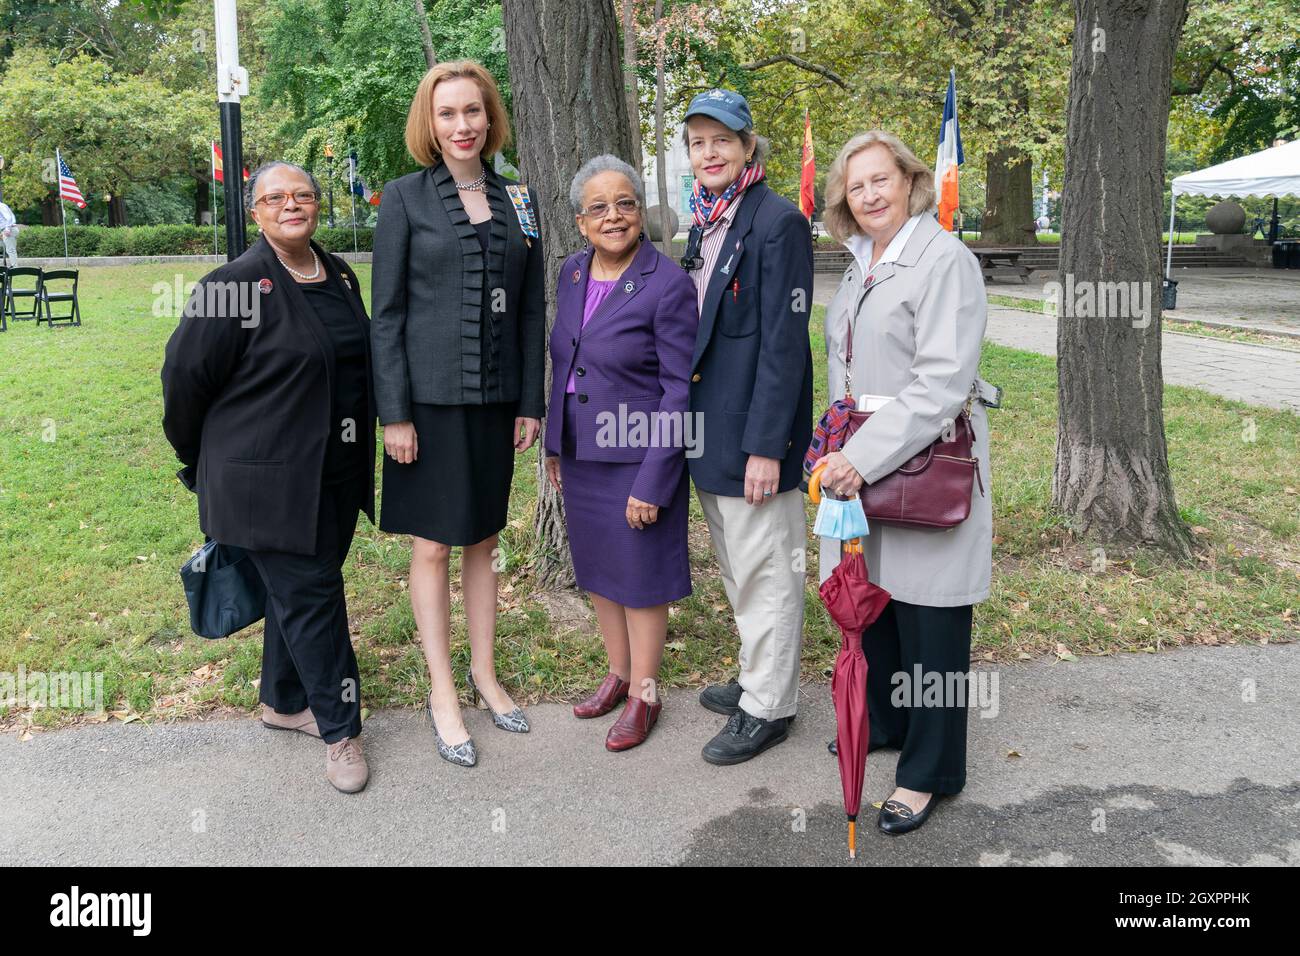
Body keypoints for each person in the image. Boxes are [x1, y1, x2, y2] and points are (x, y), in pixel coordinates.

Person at [162, 161, 376, 794]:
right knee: (314, 596)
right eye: (275, 197)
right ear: (254, 211)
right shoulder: (231, 285)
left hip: (333, 472)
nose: (292, 205)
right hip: (265, 483)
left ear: (317, 205)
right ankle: (341, 730)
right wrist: (204, 458)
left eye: (303, 195)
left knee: (302, 590)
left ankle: (283, 702)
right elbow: (183, 382)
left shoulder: (338, 274)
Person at [818, 130, 993, 835]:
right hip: (862, 461)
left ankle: (930, 771)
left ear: (911, 181)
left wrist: (860, 457)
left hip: (921, 460)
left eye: (880, 180)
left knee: (932, 615)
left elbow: (942, 383)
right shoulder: (861, 262)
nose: (869, 195)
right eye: (855, 186)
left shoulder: (943, 258)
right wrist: (837, 450)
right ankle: (887, 723)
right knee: (880, 602)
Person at [371, 60, 545, 768]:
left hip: (496, 403)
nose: (462, 124)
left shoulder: (519, 200)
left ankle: (484, 673)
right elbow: (386, 315)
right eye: (447, 113)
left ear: (489, 116)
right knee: (433, 547)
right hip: (428, 405)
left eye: (472, 110)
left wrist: (529, 401)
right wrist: (394, 414)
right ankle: (442, 691)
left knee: (483, 540)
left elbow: (530, 308)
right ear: (431, 123)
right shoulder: (404, 198)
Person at [544, 155, 697, 752]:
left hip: (637, 455)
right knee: (601, 571)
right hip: (582, 452)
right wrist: (556, 445)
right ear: (581, 222)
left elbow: (679, 390)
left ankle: (646, 693)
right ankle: (619, 673)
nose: (613, 216)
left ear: (641, 211)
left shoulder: (667, 283)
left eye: (625, 203)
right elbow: (565, 360)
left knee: (640, 578)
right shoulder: (572, 273)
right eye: (599, 208)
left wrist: (654, 481)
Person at [680, 89, 814, 765]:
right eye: (698, 142)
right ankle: (758, 675)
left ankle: (769, 706)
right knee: (739, 570)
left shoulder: (777, 221)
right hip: (710, 434)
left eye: (722, 140)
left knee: (768, 576)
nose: (710, 153)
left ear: (748, 145)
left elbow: (785, 346)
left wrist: (767, 447)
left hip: (754, 440)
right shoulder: (706, 221)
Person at [0, 199, 17, 266]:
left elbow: (9, 218)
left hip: (9, 229)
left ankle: (15, 268)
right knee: (10, 250)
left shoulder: (1, 206)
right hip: (7, 229)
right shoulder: (2, 205)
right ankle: (14, 267)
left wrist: (7, 229)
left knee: (11, 250)